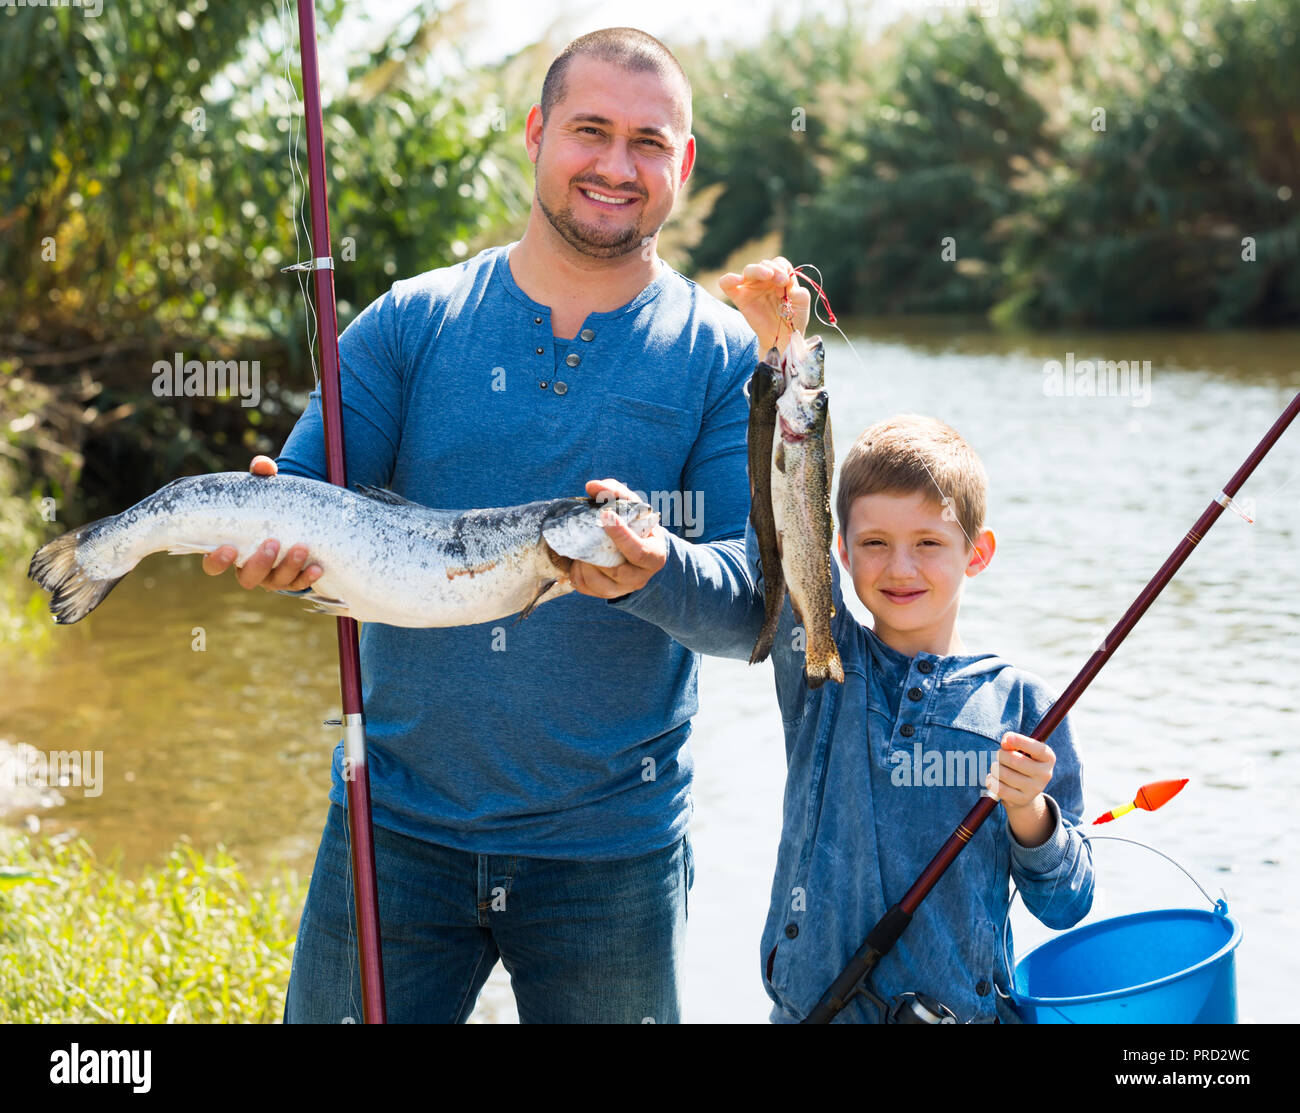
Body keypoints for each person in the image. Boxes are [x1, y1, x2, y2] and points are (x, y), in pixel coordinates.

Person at [201, 27, 807, 1023]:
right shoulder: (409, 322)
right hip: (391, 824)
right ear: (534, 134)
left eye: (648, 142)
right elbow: (300, 497)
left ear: (684, 165)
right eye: (589, 131)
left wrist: (656, 571)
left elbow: (752, 617)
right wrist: (270, 547)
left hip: (612, 853)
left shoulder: (721, 359)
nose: (616, 166)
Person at [625, 411, 1095, 1022]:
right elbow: (787, 522)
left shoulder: (1026, 706)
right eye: (875, 544)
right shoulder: (821, 659)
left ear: (977, 553)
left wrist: (1030, 812)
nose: (900, 568)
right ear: (841, 553)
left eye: (929, 543)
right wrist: (782, 369)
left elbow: (1067, 904)